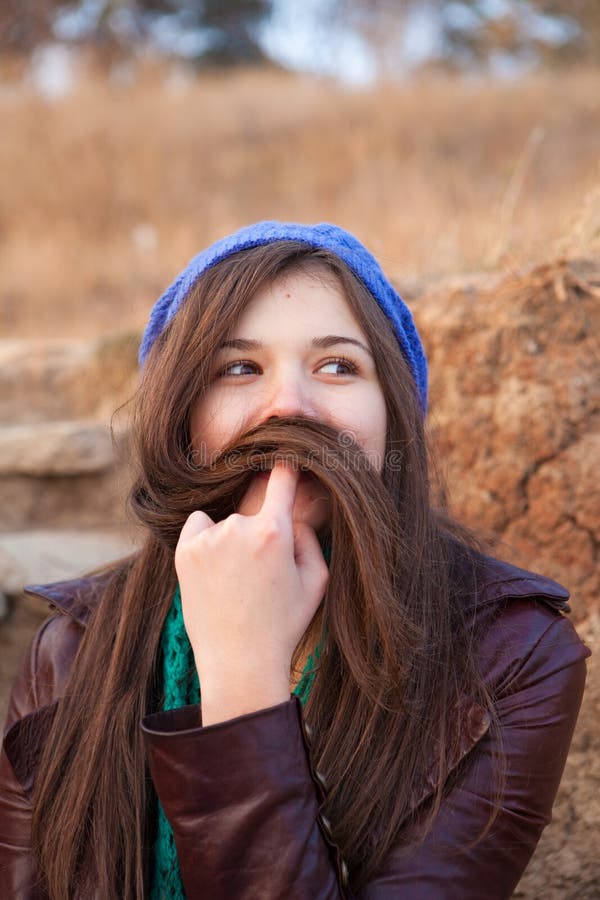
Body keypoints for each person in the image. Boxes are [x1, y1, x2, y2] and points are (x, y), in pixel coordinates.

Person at [0, 221, 590, 899]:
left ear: (393, 416)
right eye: (239, 368)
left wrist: (244, 675)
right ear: (181, 419)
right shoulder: (70, 650)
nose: (289, 406)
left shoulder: (510, 656)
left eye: (338, 366)